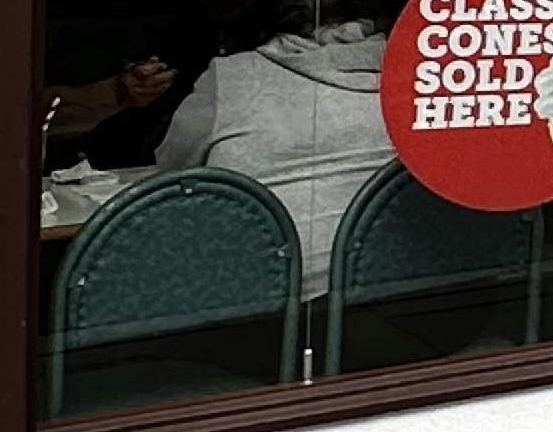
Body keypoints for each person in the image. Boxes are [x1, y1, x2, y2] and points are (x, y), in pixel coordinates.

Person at [148, 16, 394, 296]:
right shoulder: (427, 74)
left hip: (260, 299)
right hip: (400, 290)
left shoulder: (232, 76)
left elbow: (171, 175)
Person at [43, 0, 287, 167]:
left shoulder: (281, 13)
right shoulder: (128, 11)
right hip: (117, 177)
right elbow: (42, 110)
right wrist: (114, 94)